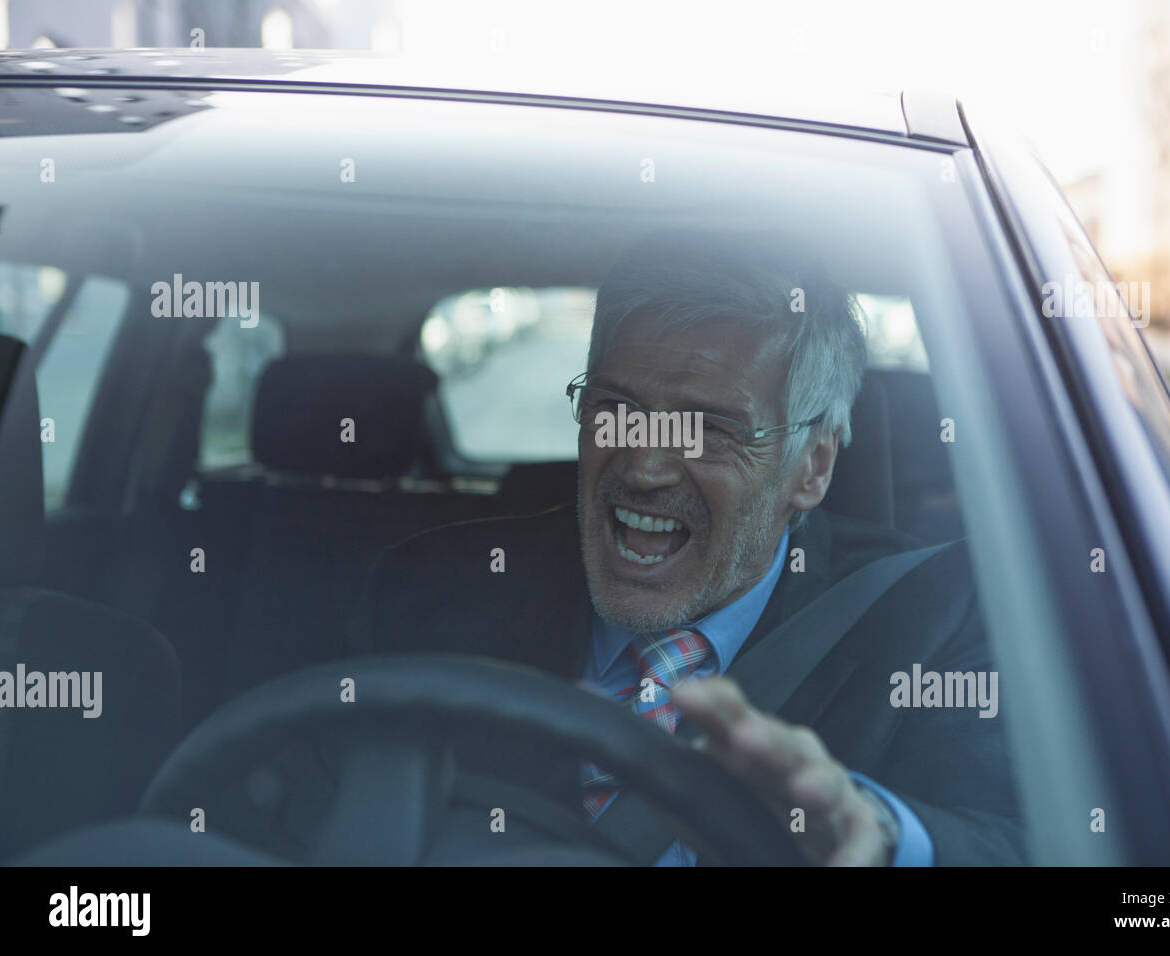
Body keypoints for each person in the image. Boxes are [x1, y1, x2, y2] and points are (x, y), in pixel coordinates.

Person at [355, 230, 1024, 865]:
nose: (644, 467)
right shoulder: (441, 591)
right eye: (616, 409)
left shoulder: (937, 618)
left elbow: (1027, 845)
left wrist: (877, 833)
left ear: (811, 467)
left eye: (708, 430)